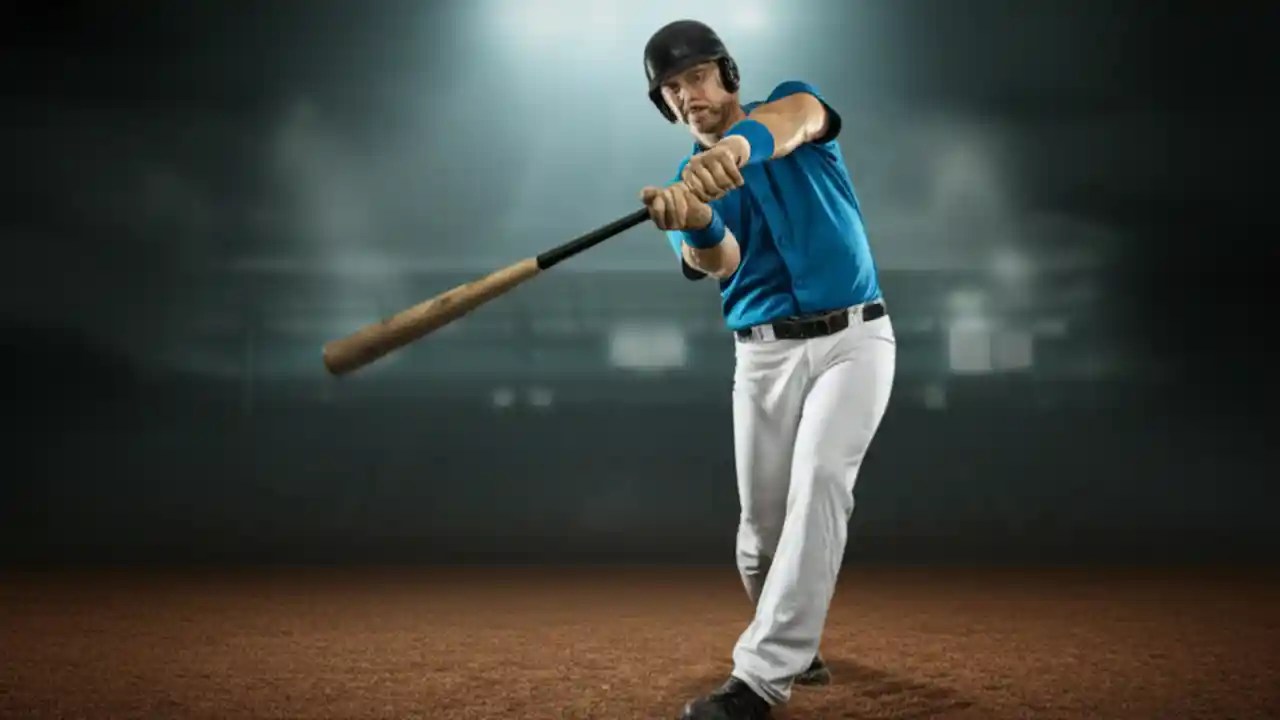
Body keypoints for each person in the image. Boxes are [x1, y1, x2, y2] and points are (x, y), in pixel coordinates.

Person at [637, 19, 898, 720]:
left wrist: (734, 151)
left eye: (696, 75)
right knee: (759, 538)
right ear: (664, 105)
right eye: (671, 87)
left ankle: (757, 682)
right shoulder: (680, 185)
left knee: (821, 482)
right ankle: (797, 642)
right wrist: (690, 218)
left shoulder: (789, 103)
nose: (688, 93)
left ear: (727, 74)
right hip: (763, 354)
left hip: (856, 340)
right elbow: (716, 262)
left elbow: (796, 124)